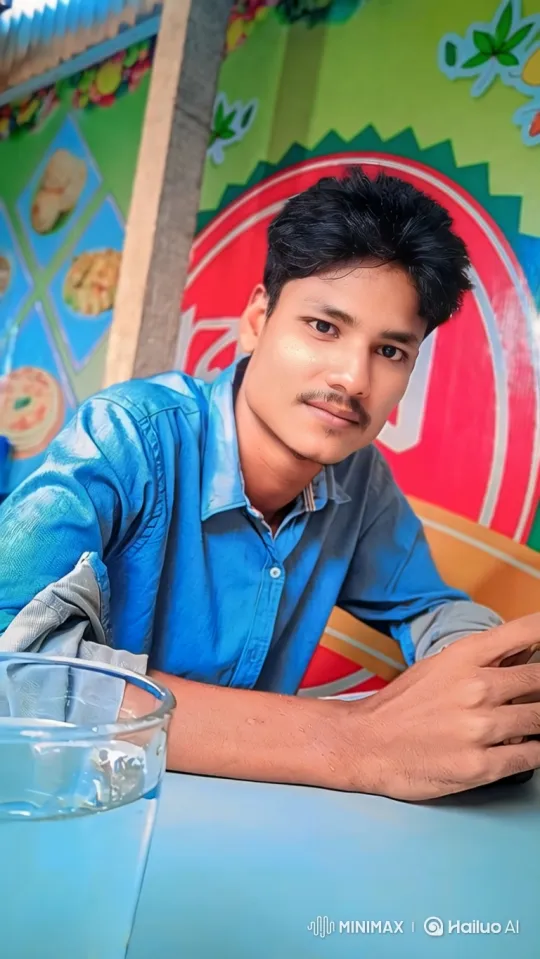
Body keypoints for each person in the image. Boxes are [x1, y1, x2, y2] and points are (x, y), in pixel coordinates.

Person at [1, 167, 539, 801]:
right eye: (324, 327)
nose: (353, 378)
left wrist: (488, 673)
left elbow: (425, 606)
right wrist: (355, 740)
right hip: (64, 804)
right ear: (258, 319)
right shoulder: (125, 437)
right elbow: (14, 662)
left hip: (242, 822)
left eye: (391, 351)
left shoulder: (360, 480)